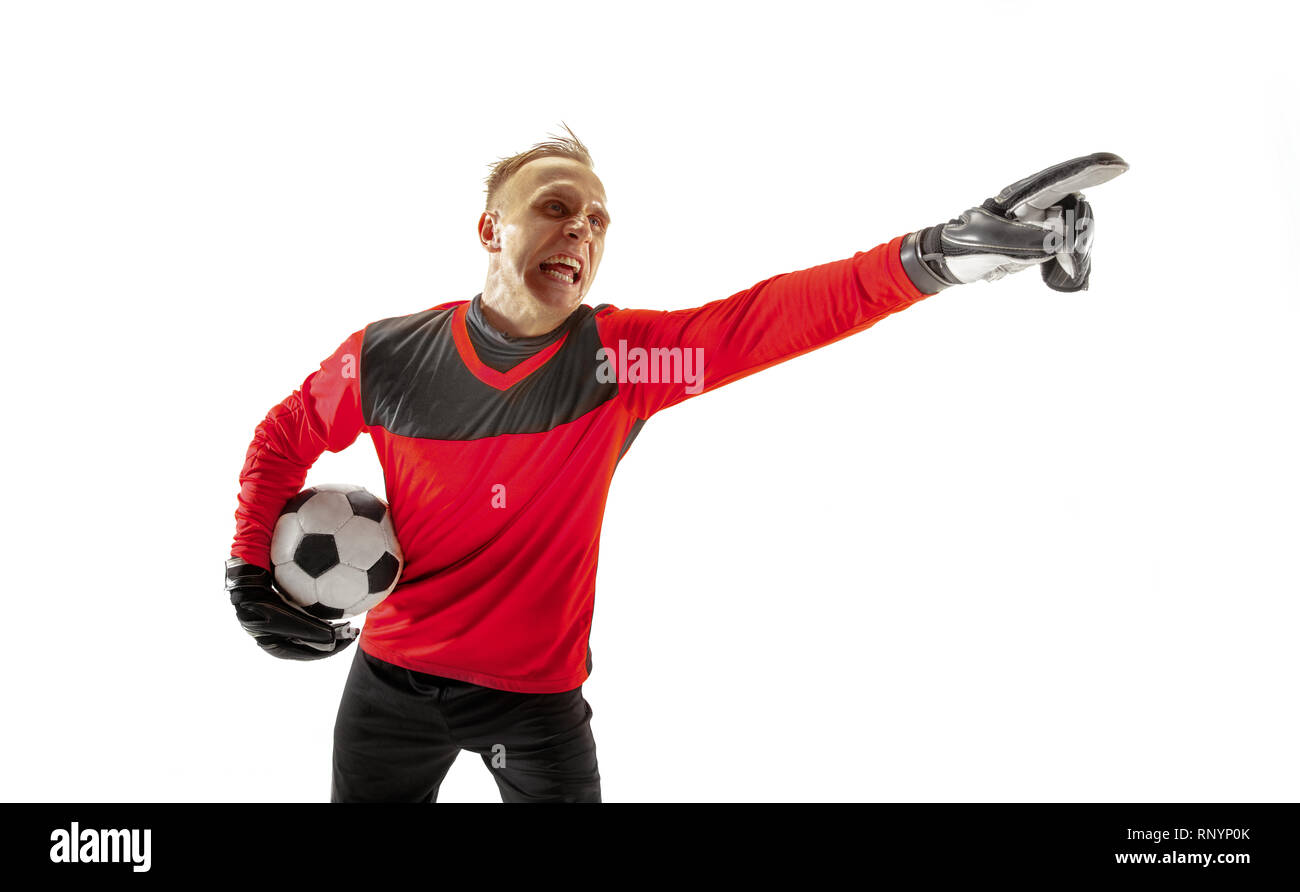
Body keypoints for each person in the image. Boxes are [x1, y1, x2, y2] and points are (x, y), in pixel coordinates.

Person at [225, 126, 1127, 802]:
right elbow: (283, 436)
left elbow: (776, 318)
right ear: (489, 228)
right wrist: (245, 559)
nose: (581, 229)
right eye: (554, 207)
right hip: (389, 685)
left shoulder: (622, 364)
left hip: (533, 703)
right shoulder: (385, 358)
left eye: (597, 219)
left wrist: (937, 256)